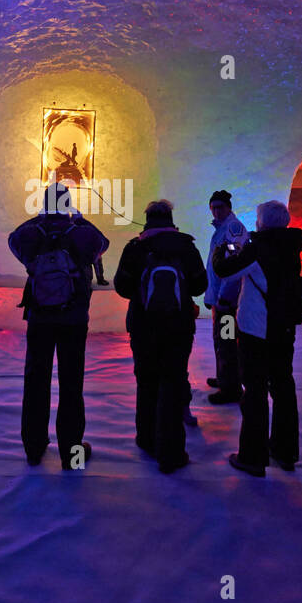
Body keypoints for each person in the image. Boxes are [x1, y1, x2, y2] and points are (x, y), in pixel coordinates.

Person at [8, 181, 109, 468]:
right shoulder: (81, 233)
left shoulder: (30, 233)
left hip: (39, 317)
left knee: (35, 380)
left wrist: (41, 219)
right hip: (73, 318)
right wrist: (77, 218)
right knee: (71, 383)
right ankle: (71, 452)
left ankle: (33, 447)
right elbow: (103, 243)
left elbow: (13, 240)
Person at [212, 200, 302, 476]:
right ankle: (284, 450)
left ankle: (252, 457)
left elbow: (225, 271)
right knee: (283, 388)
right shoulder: (292, 246)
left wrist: (221, 252)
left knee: (254, 391)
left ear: (262, 222)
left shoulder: (259, 248)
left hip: (256, 330)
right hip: (284, 328)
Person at [113, 200, 207, 473]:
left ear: (147, 220)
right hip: (178, 326)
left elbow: (122, 286)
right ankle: (172, 452)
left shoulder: (135, 247)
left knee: (146, 380)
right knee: (174, 380)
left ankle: (146, 438)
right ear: (170, 219)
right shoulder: (186, 246)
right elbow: (200, 284)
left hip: (144, 325)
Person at [203, 190, 247, 405]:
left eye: (220, 207)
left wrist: (224, 298)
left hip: (227, 302)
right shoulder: (222, 229)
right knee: (221, 340)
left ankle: (231, 388)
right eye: (213, 207)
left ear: (229, 207)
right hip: (220, 300)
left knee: (227, 341)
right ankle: (224, 377)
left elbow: (232, 267)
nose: (216, 211)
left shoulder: (233, 229)